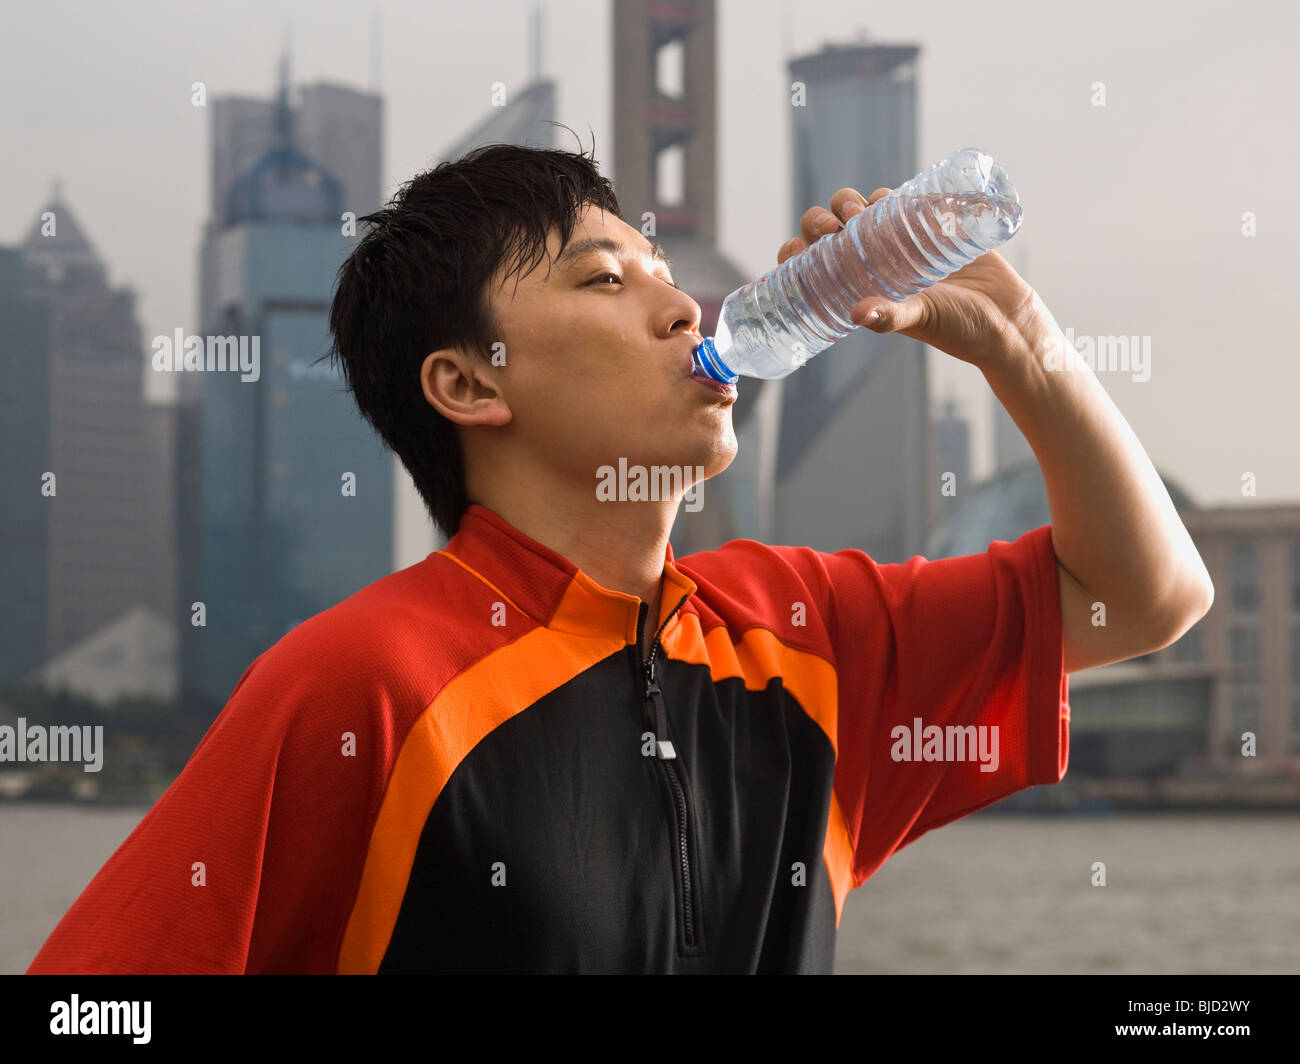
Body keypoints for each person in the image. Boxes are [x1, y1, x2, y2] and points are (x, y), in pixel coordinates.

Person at [28, 139, 1213, 974]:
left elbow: (1148, 595)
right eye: (605, 279)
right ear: (467, 382)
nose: (685, 308)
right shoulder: (365, 682)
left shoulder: (803, 633)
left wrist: (1022, 346)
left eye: (664, 274)